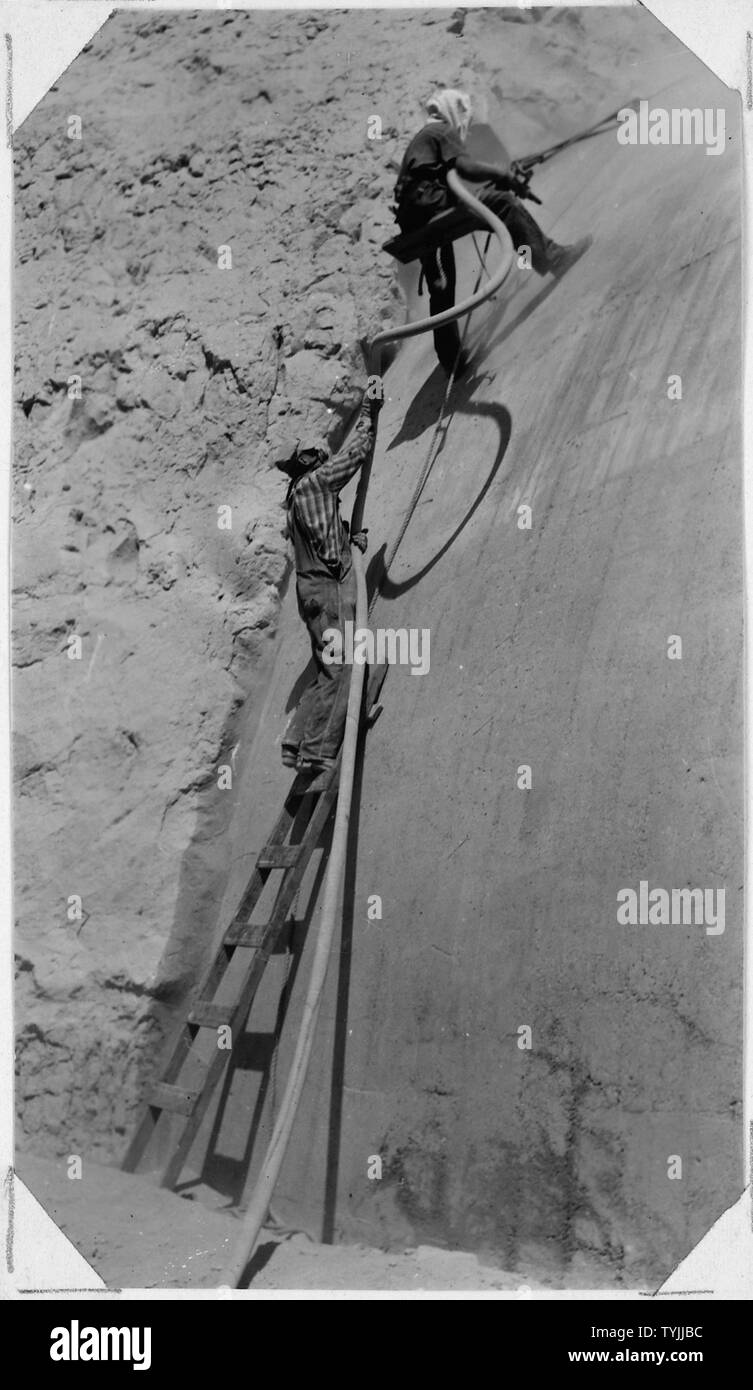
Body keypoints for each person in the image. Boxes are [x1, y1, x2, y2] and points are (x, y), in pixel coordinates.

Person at [393, 88, 592, 374]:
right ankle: (552, 257)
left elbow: (450, 179)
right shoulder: (440, 131)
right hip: (431, 204)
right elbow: (465, 167)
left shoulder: (421, 139)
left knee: (441, 281)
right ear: (453, 110)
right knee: (502, 203)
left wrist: (498, 178)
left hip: (414, 217)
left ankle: (450, 358)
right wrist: (503, 176)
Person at [275, 390, 382, 776]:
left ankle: (294, 742)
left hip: (311, 593)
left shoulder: (295, 499)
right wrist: (369, 412)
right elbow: (354, 456)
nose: (321, 454)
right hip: (326, 587)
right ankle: (318, 750)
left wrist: (349, 540)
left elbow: (323, 538)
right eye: (314, 452)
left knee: (325, 666)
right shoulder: (316, 484)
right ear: (305, 460)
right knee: (342, 666)